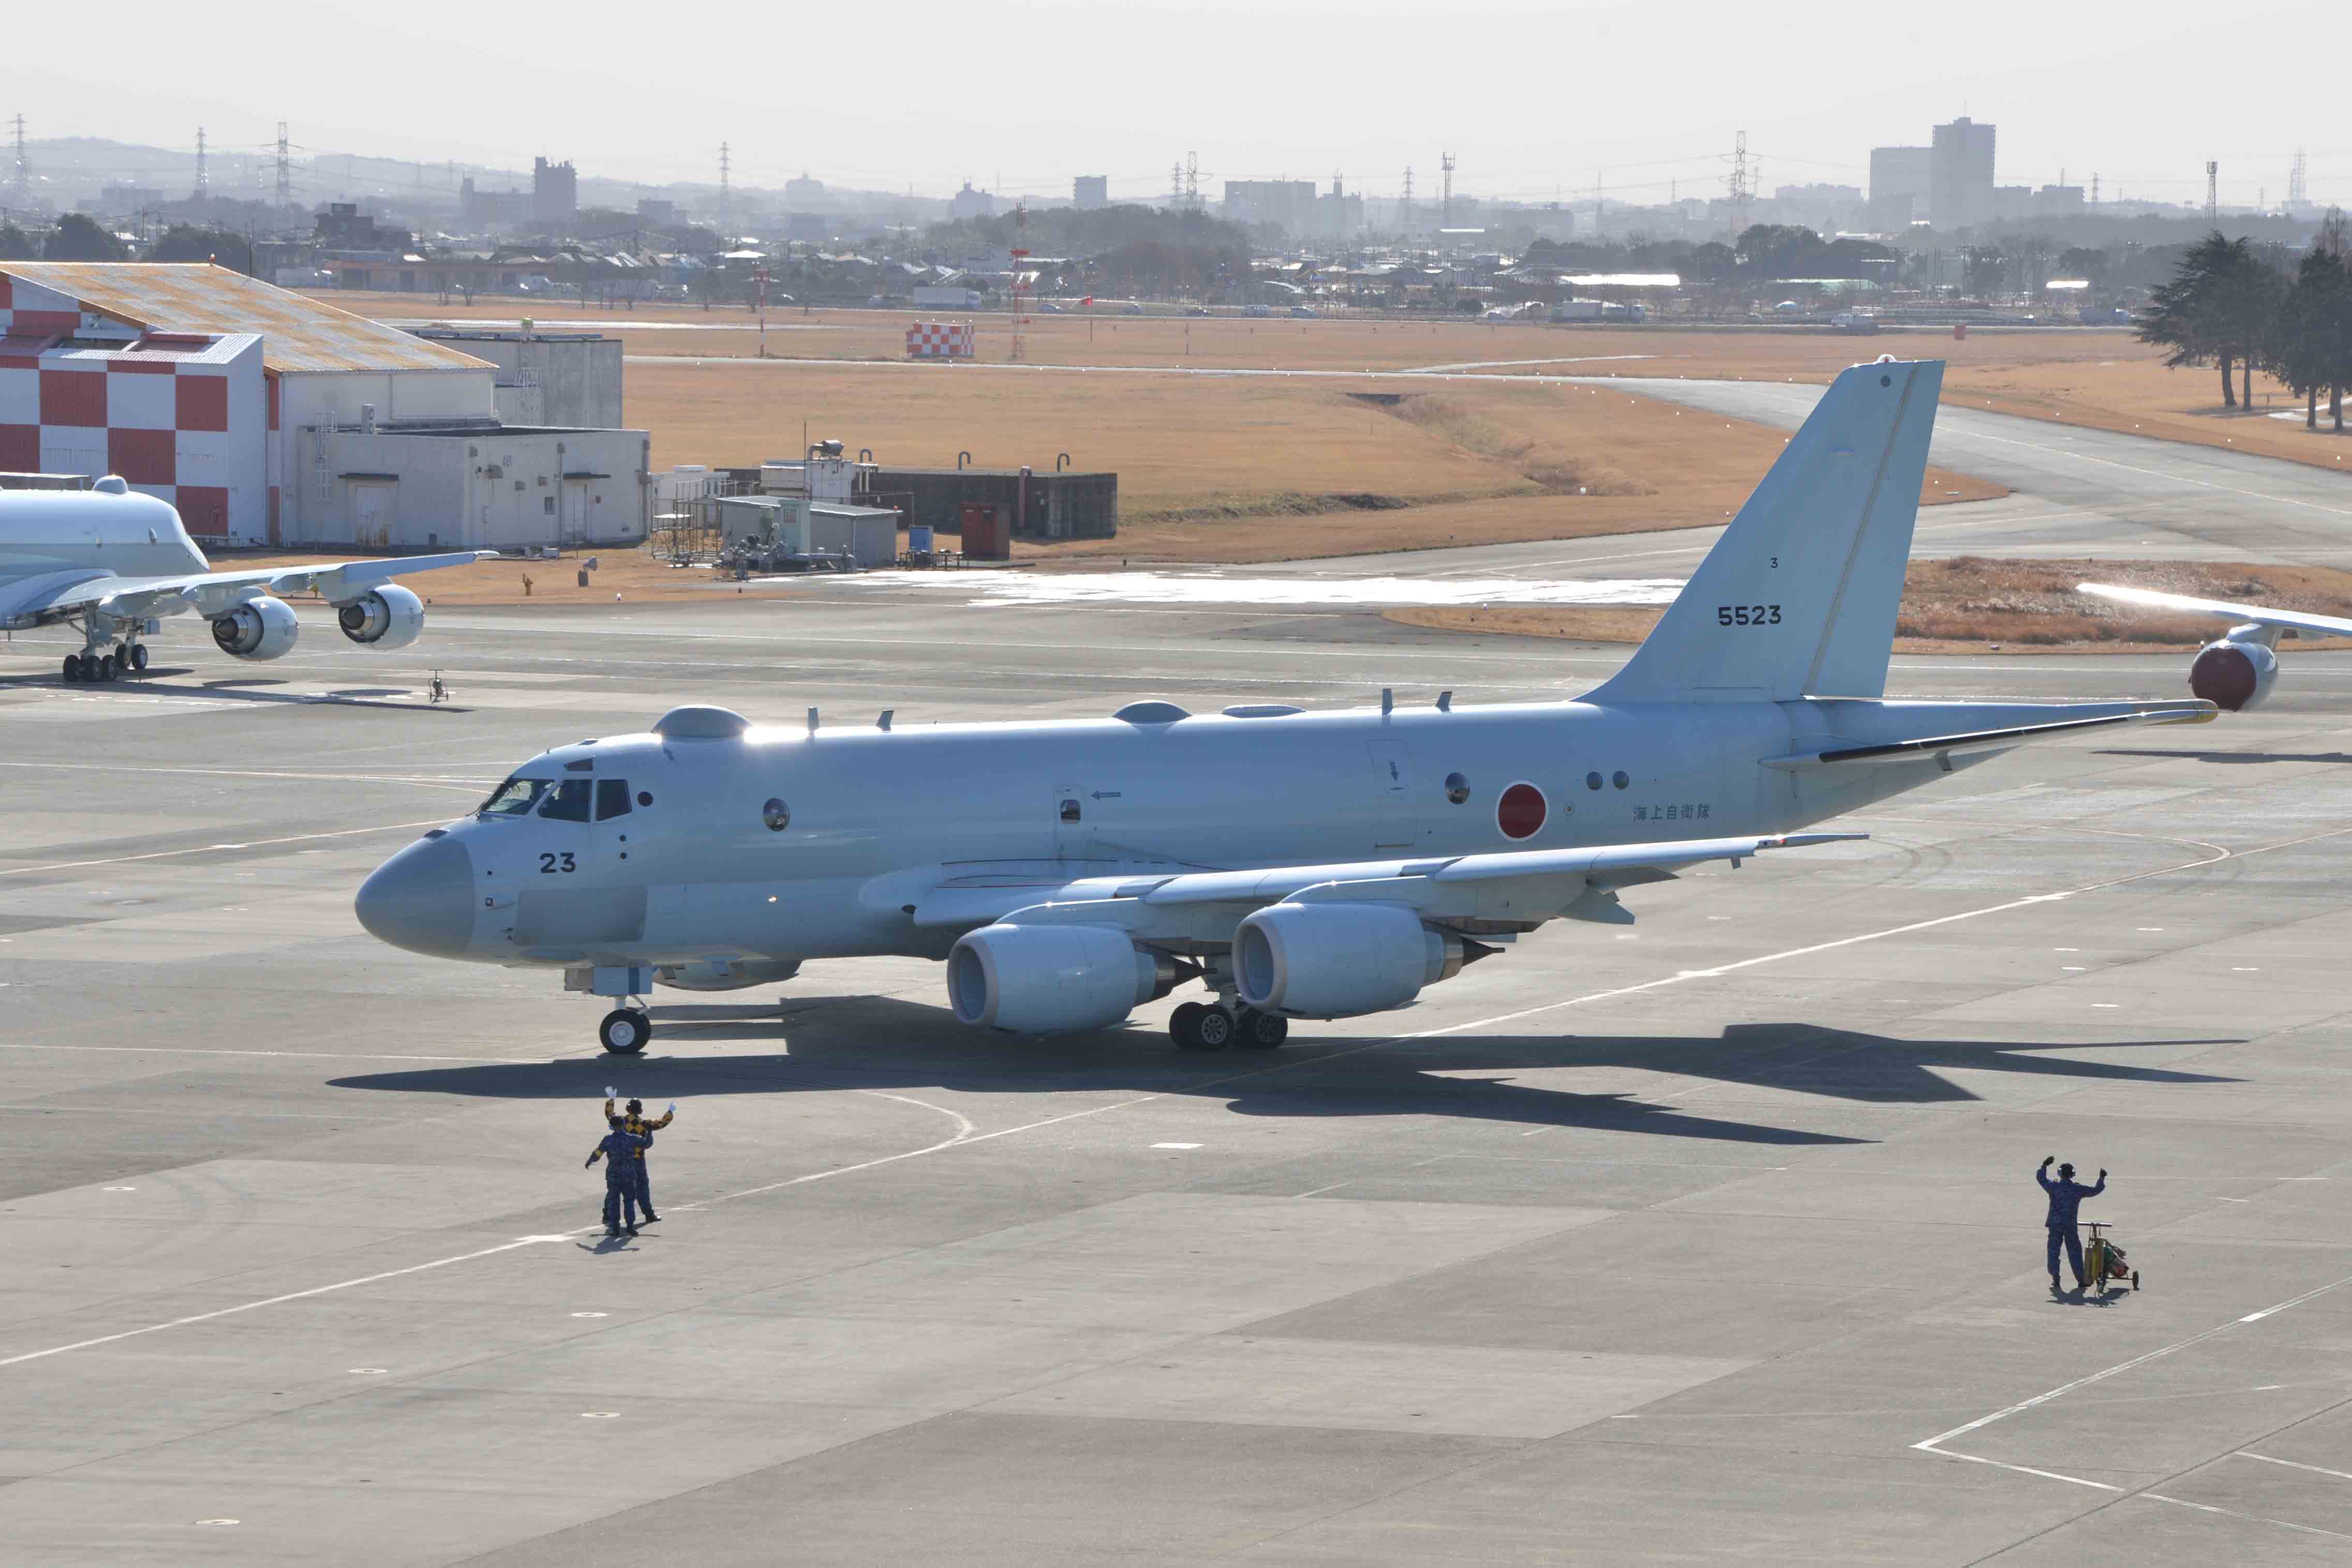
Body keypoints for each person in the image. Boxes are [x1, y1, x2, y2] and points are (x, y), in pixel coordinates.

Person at [603, 1088, 676, 1224]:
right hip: (638, 1160)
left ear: (628, 1109)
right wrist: (669, 1113)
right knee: (642, 1186)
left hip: (619, 1160)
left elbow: (609, 1114)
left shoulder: (621, 1121)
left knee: (615, 1187)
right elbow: (661, 1123)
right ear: (640, 1111)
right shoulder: (645, 1123)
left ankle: (607, 1214)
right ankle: (649, 1214)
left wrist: (611, 1100)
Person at [2038, 1156, 2107, 1290]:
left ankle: (2055, 1278)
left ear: (2060, 1174)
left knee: (2053, 1252)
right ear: (2072, 1174)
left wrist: (2044, 1166)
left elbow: (2041, 1179)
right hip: (2070, 1226)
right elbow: (2095, 1191)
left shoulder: (2054, 1187)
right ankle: (2081, 1280)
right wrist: (2102, 1178)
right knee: (2075, 1253)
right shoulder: (2077, 1189)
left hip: (2055, 1225)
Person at [587, 1116, 649, 1236]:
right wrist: (650, 1132)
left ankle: (615, 1228)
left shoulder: (608, 1140)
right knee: (629, 1201)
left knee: (614, 1202)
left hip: (613, 1176)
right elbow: (647, 1143)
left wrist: (590, 1161)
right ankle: (630, 1227)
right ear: (624, 1124)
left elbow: (598, 1153)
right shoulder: (632, 1138)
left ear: (611, 1126)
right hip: (629, 1175)